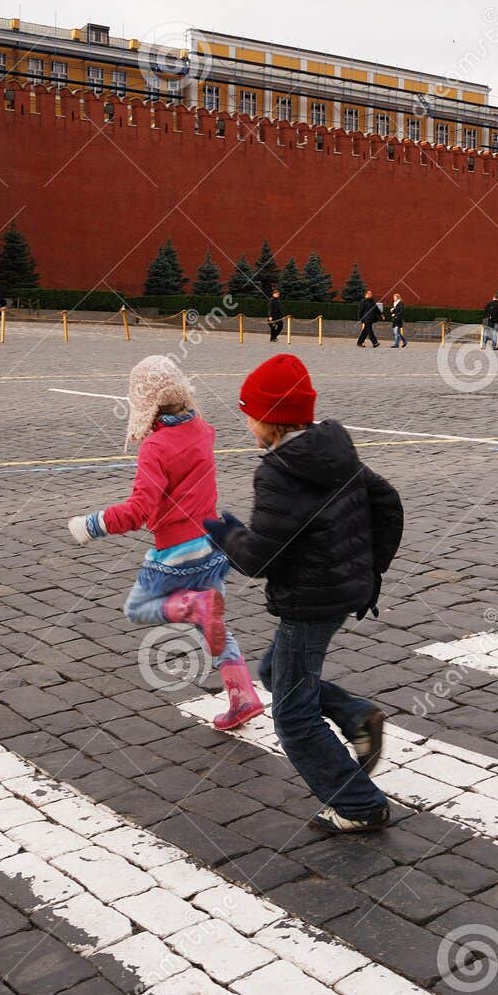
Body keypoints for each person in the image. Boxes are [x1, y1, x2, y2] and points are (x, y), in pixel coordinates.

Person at [204, 354, 403, 834]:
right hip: (340, 592)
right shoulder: (333, 451)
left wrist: (220, 530)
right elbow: (388, 502)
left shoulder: (280, 471)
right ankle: (357, 716)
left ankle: (358, 805)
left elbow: (260, 560)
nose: (247, 422)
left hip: (310, 602)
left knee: (292, 716)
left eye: (249, 413)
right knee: (275, 670)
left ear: (269, 419)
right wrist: (368, 570)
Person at [67, 356, 263, 733]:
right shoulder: (202, 430)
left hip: (176, 550)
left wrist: (90, 525)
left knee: (139, 608)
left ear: (144, 401)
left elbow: (139, 510)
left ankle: (195, 605)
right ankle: (242, 695)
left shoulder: (155, 447)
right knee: (214, 623)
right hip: (211, 543)